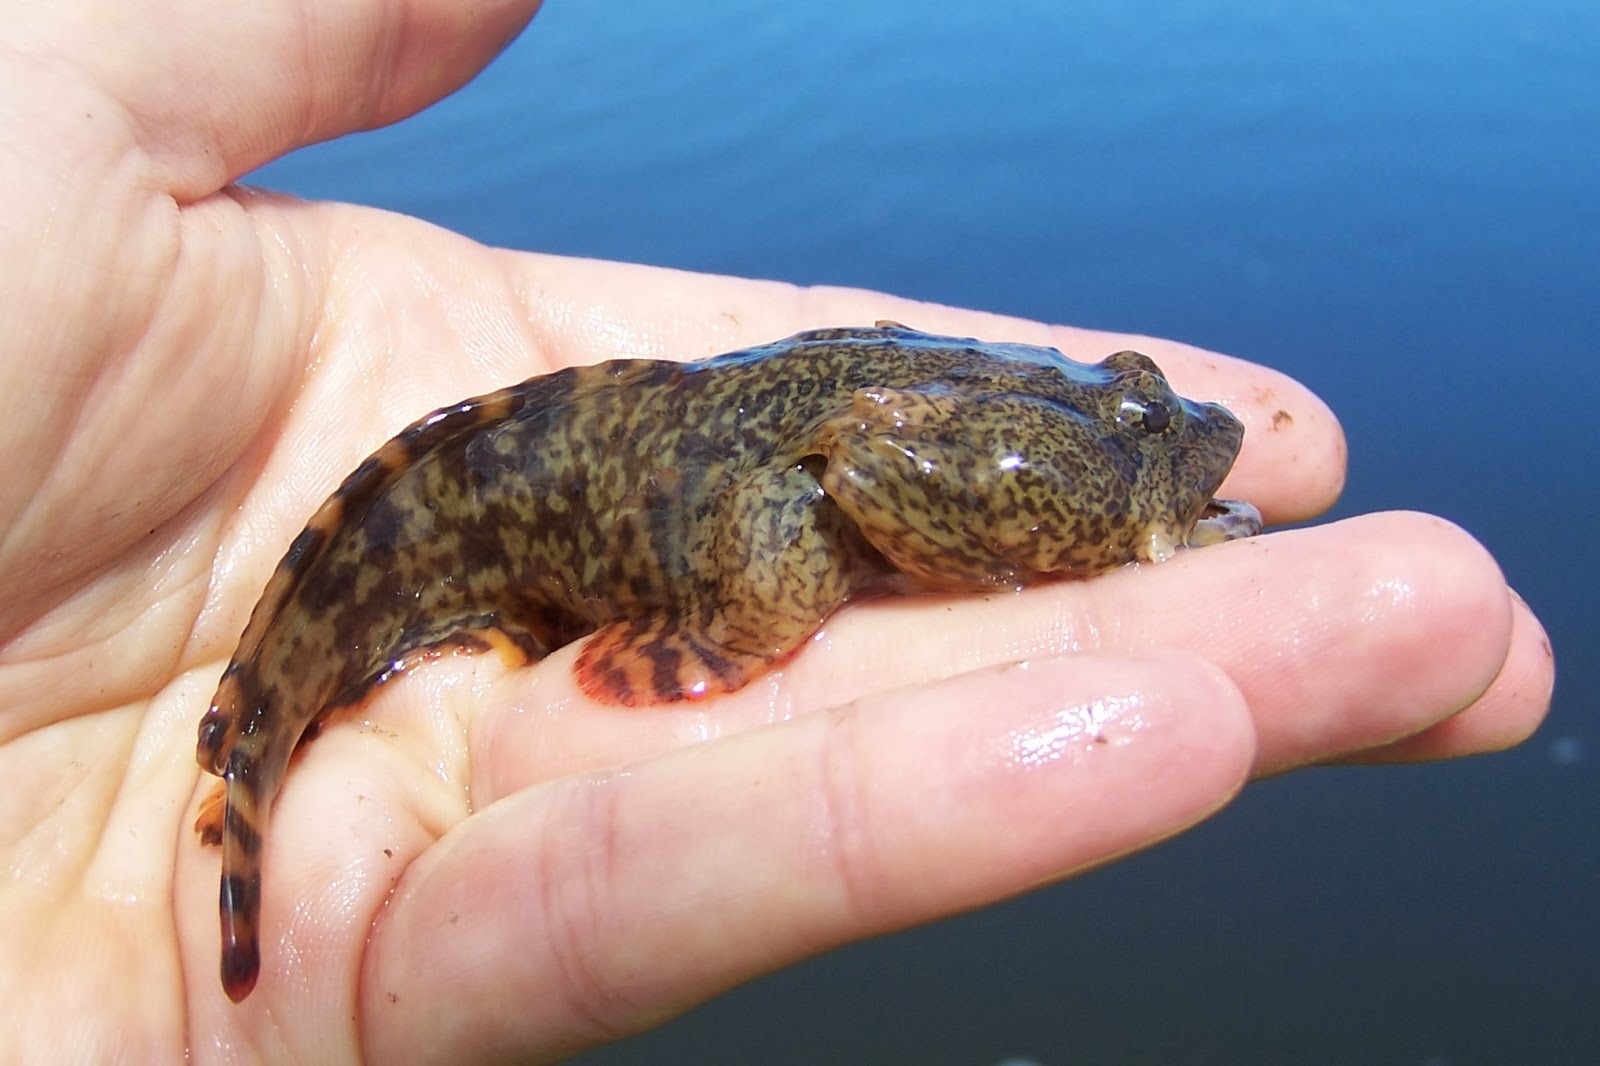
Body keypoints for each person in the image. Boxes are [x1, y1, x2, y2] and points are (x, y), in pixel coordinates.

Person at [0, 2, 1551, 1062]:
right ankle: (253, 778)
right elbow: (866, 479)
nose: (1169, 445)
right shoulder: (873, 469)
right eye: (1131, 428)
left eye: (1131, 417)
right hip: (612, 493)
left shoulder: (953, 418)